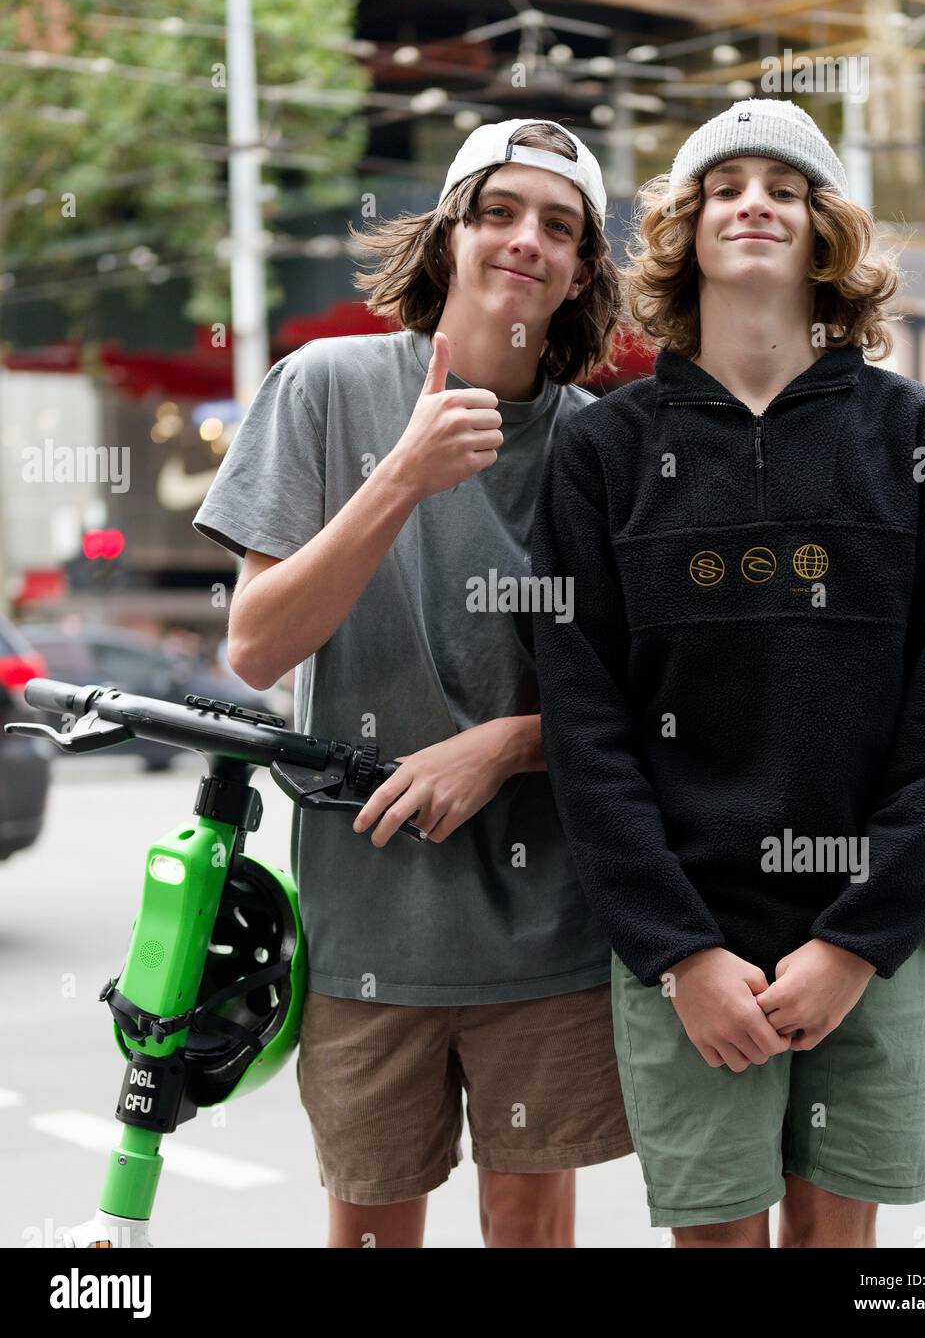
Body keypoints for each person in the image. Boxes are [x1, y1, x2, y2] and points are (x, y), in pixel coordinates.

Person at [530, 98, 925, 1249]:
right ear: (685, 230)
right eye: (725, 187)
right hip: (686, 947)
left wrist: (855, 942)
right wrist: (680, 952)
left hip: (870, 943)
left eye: (783, 188)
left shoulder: (919, 434)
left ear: (822, 229)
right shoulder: (602, 448)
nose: (754, 205)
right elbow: (584, 724)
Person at [192, 118, 634, 1248]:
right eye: (498, 211)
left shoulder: (605, 448)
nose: (525, 239)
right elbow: (256, 648)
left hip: (550, 929)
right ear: (447, 235)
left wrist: (505, 744)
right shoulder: (324, 387)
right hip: (368, 923)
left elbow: (644, 703)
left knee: (529, 1232)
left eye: (559, 226)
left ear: (580, 270)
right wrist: (400, 475)